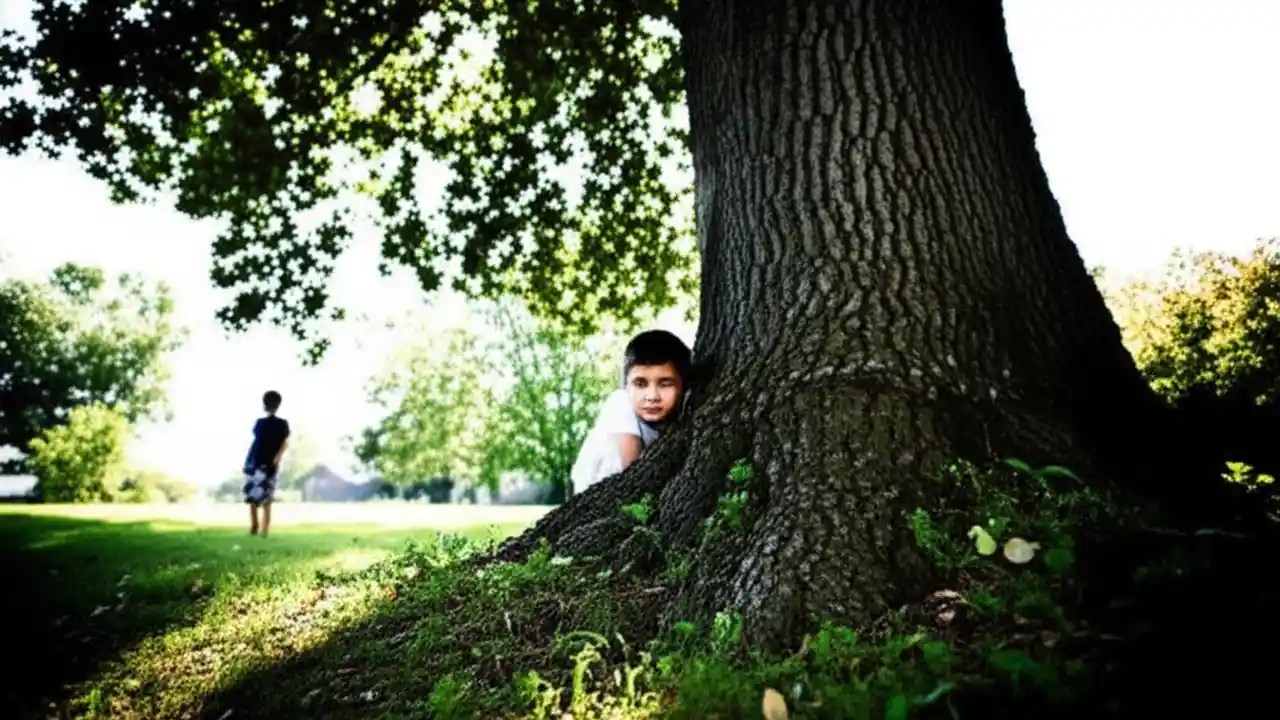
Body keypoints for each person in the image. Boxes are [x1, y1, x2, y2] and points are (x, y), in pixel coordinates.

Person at [570, 329, 691, 497]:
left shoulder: (679, 416)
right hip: (595, 493)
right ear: (626, 386)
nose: (652, 396)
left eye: (665, 384)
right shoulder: (621, 403)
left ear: (684, 387)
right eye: (640, 384)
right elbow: (632, 474)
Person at [241, 390, 290, 537]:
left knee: (253, 498)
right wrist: (277, 458)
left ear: (264, 405)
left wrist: (276, 459)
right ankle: (263, 529)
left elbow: (260, 442)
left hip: (255, 462)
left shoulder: (260, 423)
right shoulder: (282, 424)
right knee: (267, 497)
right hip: (267, 464)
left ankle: (256, 527)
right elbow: (284, 443)